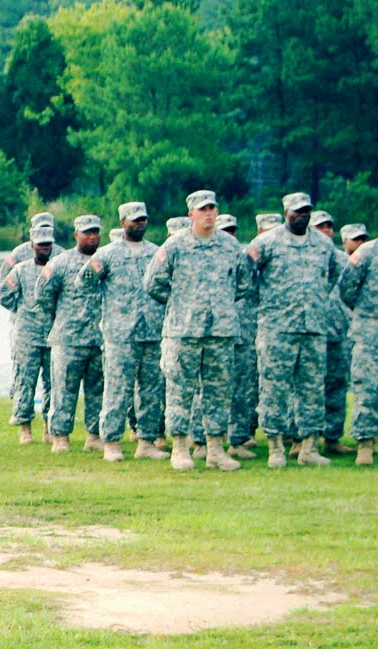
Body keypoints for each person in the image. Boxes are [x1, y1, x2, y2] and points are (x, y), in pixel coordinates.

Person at [144, 190, 251, 471]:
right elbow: (152, 282)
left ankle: (215, 448)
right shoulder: (175, 246)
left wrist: (221, 304)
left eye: (212, 208)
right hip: (183, 331)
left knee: (218, 391)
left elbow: (243, 283)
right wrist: (181, 302)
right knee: (180, 390)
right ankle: (179, 447)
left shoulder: (230, 246)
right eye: (202, 209)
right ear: (191, 214)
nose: (208, 214)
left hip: (220, 331)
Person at [243, 193, 343, 468]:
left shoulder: (323, 244)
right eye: (297, 211)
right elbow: (247, 275)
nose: (303, 215)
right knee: (274, 388)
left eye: (306, 211)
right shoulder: (266, 242)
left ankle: (308, 446)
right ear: (285, 212)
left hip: (312, 327)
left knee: (312, 388)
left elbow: (334, 274)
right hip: (277, 329)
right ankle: (276, 446)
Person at [82, 203, 164, 461]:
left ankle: (147, 441)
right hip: (120, 335)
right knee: (117, 389)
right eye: (134, 220)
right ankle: (112, 441)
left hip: (152, 332)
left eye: (143, 220)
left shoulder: (157, 252)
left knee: (151, 389)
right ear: (122, 222)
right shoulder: (107, 254)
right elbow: (84, 282)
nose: (140, 224)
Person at [339, 202, 378, 466]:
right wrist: (370, 317)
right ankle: (364, 444)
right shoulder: (366, 253)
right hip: (370, 335)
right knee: (367, 390)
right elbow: (347, 291)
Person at [37, 215, 105, 454]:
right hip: (68, 339)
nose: (92, 236)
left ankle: (95, 435)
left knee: (98, 390)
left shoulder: (106, 259)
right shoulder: (61, 262)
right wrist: (61, 318)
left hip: (99, 338)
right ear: (76, 235)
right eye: (86, 232)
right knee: (64, 389)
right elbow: (43, 295)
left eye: (95, 232)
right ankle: (60, 435)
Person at [0, 224, 56, 444]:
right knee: (25, 382)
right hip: (27, 336)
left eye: (48, 244)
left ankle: (49, 428)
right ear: (32, 246)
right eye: (40, 245)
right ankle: (25, 428)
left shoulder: (56, 269)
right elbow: (3, 294)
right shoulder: (21, 270)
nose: (45, 248)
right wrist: (20, 309)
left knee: (53, 383)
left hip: (52, 335)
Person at [312, 211, 354, 456]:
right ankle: (300, 437)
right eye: (321, 226)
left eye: (329, 226)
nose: (327, 231)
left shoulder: (341, 259)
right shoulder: (302, 257)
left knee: (337, 386)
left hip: (337, 332)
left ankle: (332, 437)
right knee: (307, 387)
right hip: (309, 331)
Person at [218, 214, 260, 457]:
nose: (229, 235)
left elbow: (248, 288)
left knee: (242, 388)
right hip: (214, 333)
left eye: (232, 231)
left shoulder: (242, 258)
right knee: (210, 388)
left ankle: (238, 439)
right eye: (225, 230)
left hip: (242, 332)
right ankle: (202, 439)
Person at [0, 212, 61, 277]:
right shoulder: (18, 252)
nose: (44, 232)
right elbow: (4, 276)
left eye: (48, 229)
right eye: (41, 228)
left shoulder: (61, 254)